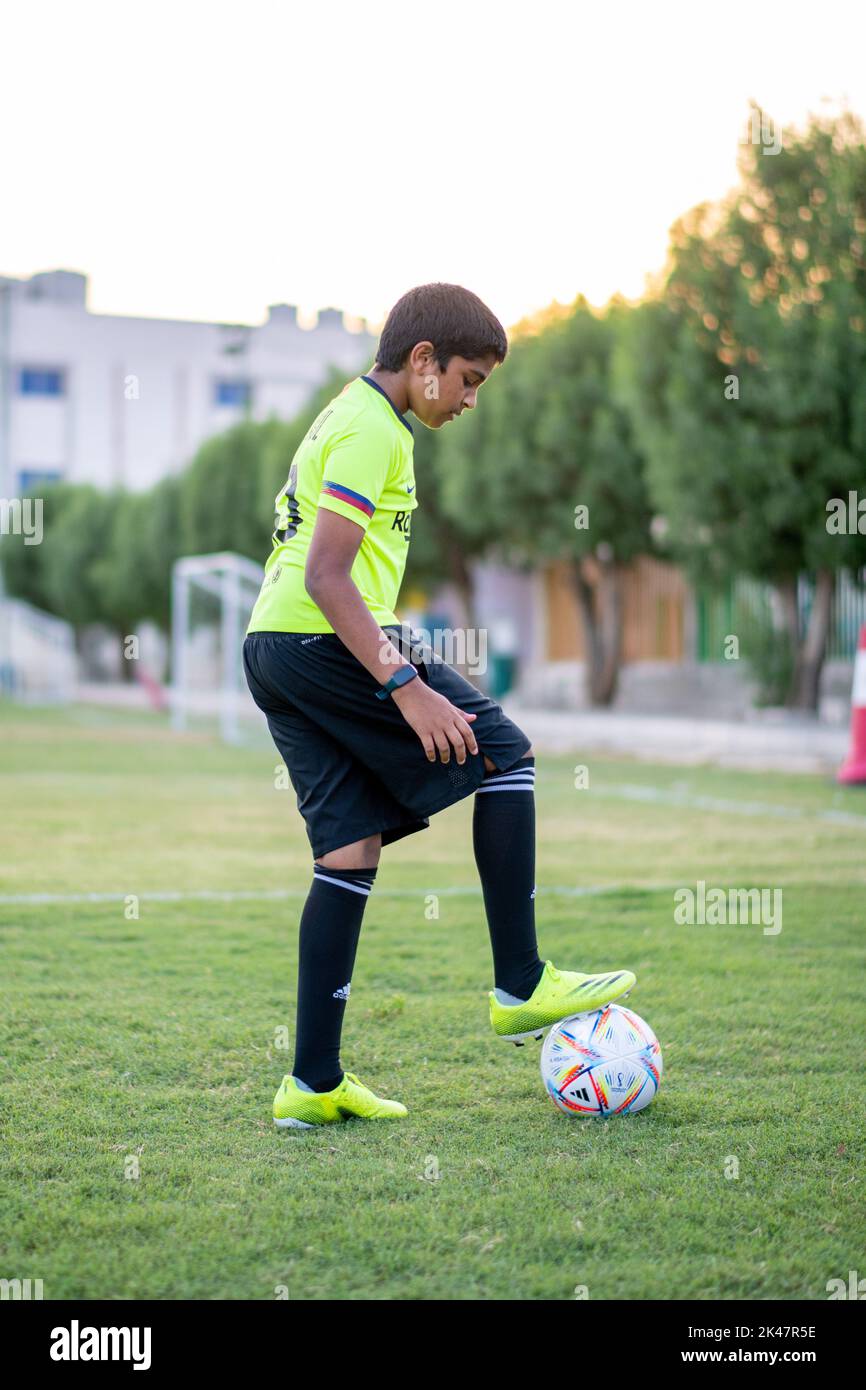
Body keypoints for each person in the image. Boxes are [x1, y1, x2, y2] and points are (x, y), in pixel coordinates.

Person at [242, 283, 635, 1129]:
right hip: (322, 636)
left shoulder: (350, 415)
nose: (468, 399)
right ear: (422, 361)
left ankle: (311, 1085)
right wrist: (405, 685)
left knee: (347, 855)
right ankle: (521, 982)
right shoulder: (370, 431)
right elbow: (326, 575)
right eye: (466, 379)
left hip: (275, 647)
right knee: (507, 754)